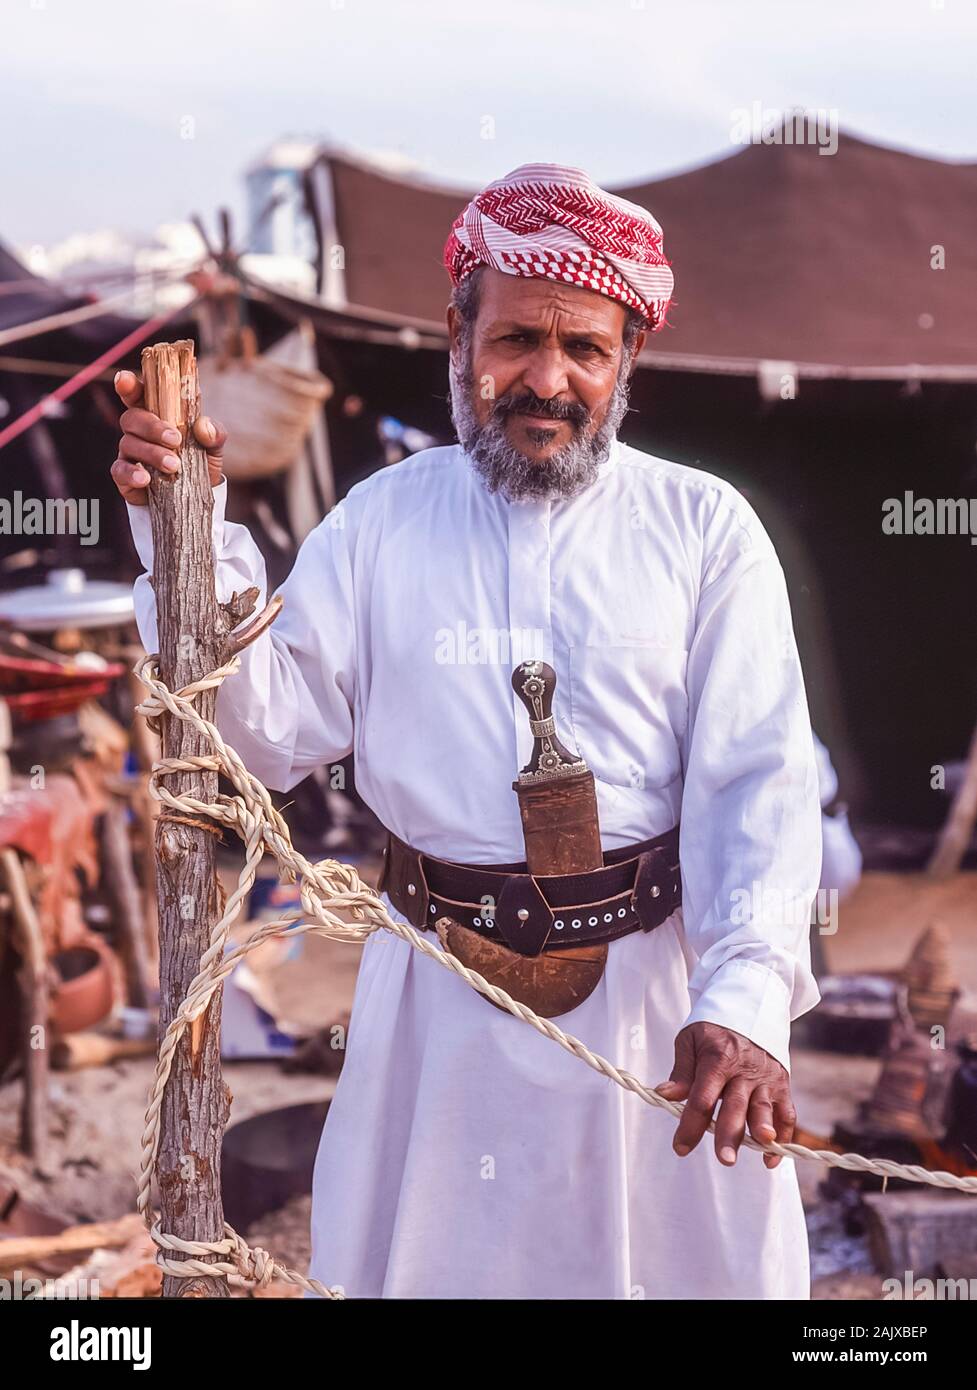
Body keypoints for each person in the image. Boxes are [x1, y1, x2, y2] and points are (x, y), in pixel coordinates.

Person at [114, 163, 823, 1300]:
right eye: (516, 341)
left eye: (584, 350)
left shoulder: (704, 532)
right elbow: (264, 734)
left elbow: (757, 788)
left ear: (626, 359)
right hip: (435, 1008)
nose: (546, 380)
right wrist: (181, 535)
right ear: (458, 335)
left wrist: (741, 1004)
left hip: (654, 1006)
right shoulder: (382, 521)